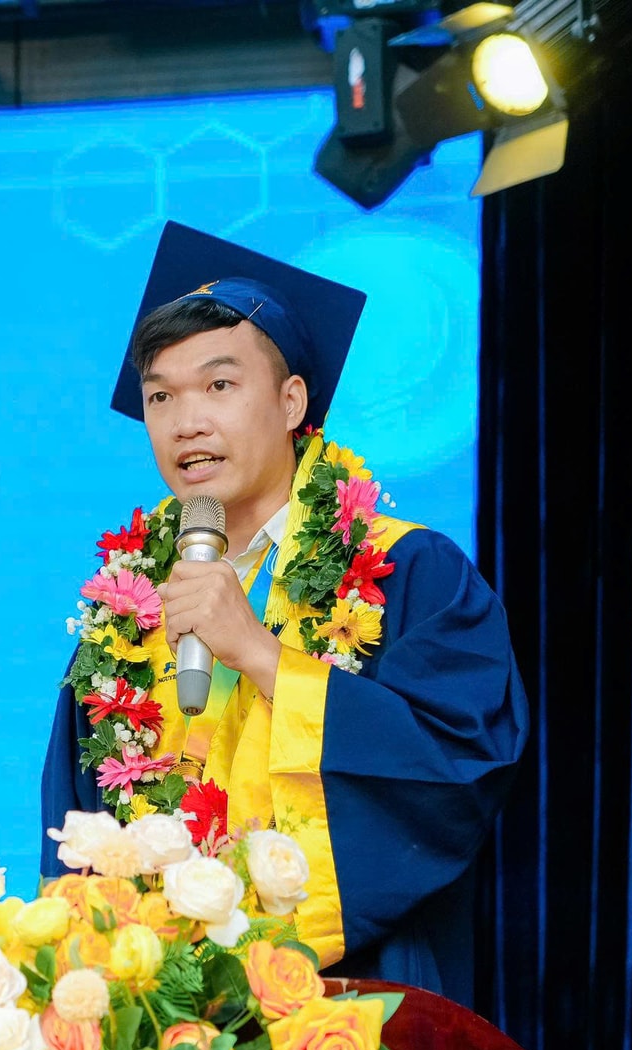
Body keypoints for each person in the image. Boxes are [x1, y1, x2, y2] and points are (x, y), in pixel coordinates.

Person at [39, 222, 527, 1002]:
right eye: (161, 396)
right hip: (168, 1020)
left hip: (356, 1004)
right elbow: (78, 829)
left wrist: (262, 656)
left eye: (219, 386)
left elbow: (457, 769)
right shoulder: (124, 614)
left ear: (292, 400)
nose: (186, 421)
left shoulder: (409, 571)